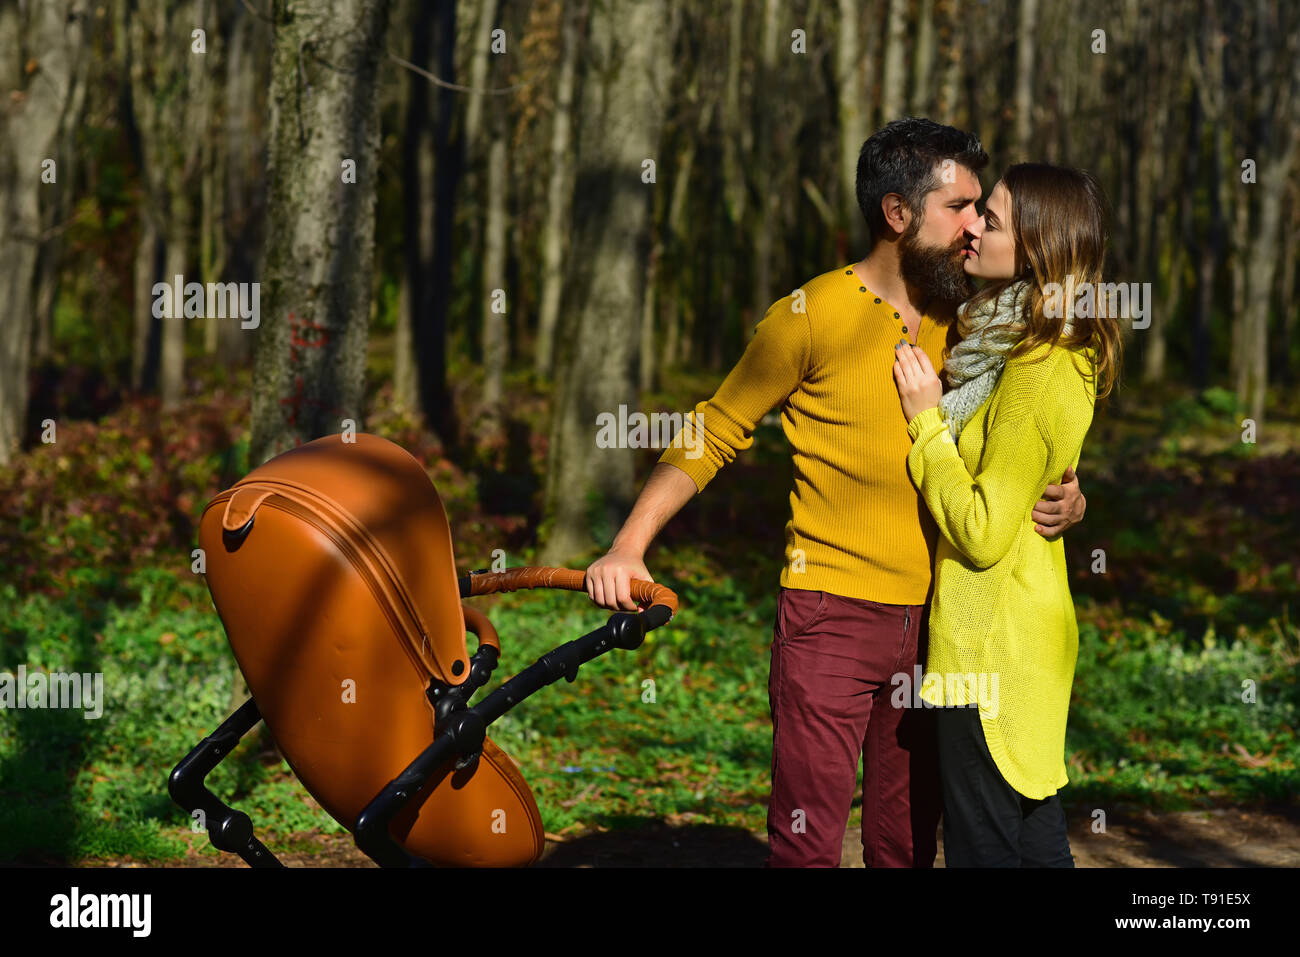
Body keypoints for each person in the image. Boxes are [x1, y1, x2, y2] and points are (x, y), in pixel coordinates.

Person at [586, 119, 1088, 867]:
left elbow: (1025, 441)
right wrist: (630, 543)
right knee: (806, 843)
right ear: (897, 214)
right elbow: (716, 428)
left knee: (906, 846)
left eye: (985, 211)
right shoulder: (810, 315)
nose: (974, 228)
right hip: (830, 616)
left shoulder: (978, 322)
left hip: (939, 629)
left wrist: (1074, 499)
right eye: (960, 208)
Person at [891, 163, 1122, 866]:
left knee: (983, 848)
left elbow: (985, 531)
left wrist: (928, 425)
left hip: (990, 643)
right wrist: (1071, 496)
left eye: (992, 219)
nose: (973, 227)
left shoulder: (1033, 361)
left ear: (1037, 248)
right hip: (1028, 636)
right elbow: (1031, 474)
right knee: (1031, 838)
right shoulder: (1027, 342)